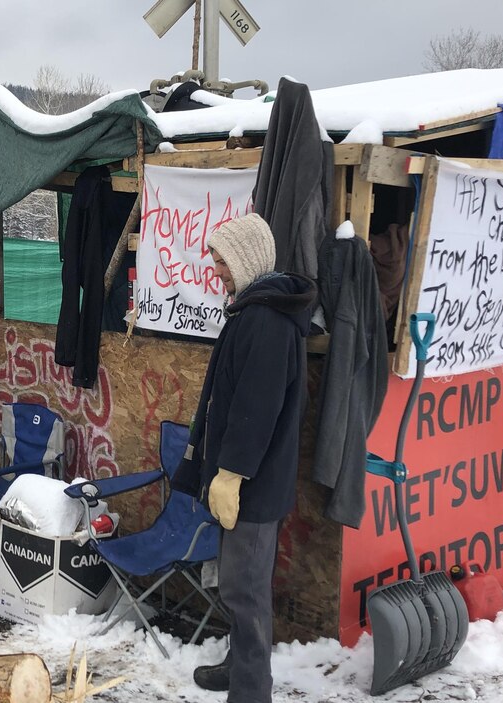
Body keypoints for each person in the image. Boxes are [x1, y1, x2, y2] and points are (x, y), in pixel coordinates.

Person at [173, 213, 317, 702]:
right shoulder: (254, 310)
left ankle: (251, 691)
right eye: (214, 260)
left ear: (246, 258)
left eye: (222, 261)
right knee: (240, 585)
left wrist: (232, 473)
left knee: (245, 590)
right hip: (249, 481)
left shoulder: (267, 320)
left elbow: (257, 407)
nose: (216, 270)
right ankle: (239, 668)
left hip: (253, 485)